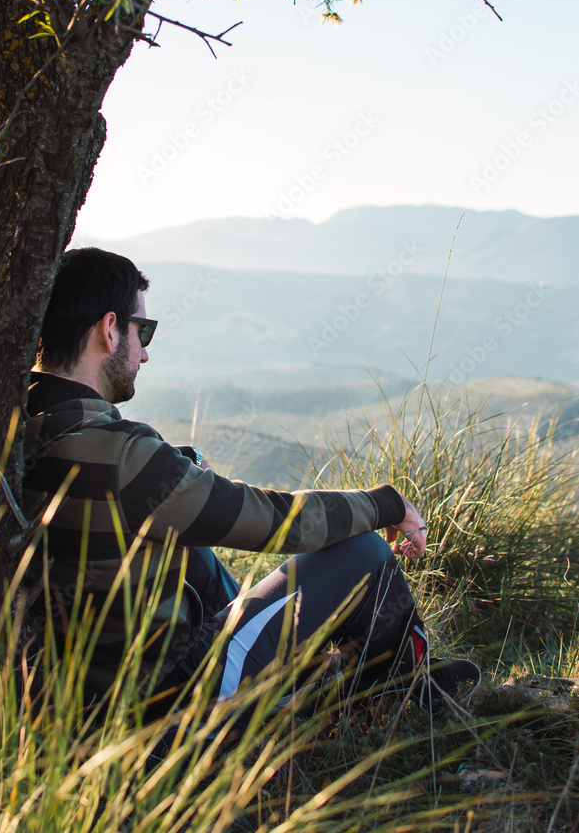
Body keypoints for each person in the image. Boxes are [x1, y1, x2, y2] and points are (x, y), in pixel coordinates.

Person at [23, 247, 479, 719]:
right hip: (167, 702)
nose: (144, 351)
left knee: (188, 544)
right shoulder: (120, 454)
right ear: (109, 327)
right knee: (364, 554)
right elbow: (274, 522)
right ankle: (402, 697)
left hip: (88, 693)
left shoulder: (22, 429)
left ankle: (319, 674)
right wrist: (383, 504)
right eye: (144, 331)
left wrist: (172, 472)